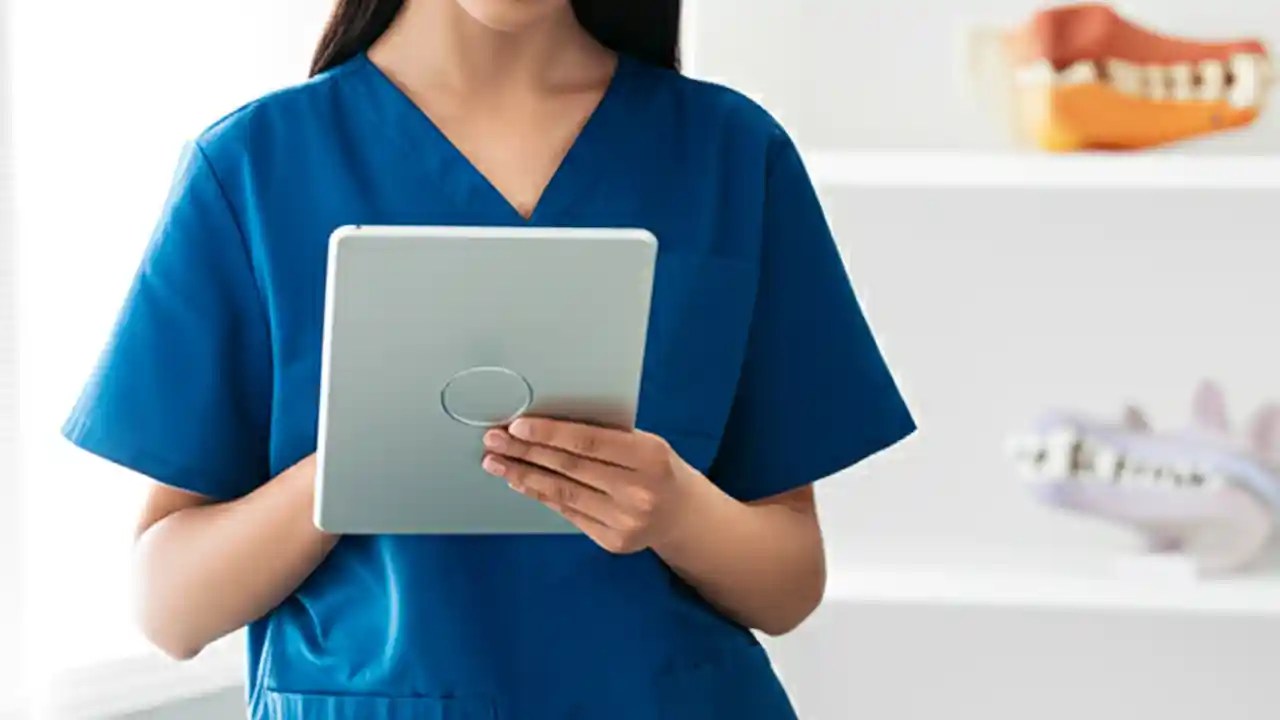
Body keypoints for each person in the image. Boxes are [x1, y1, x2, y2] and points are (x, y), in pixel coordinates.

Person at [61, 0, 916, 717]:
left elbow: (788, 585)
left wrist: (675, 509)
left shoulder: (731, 155)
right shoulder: (250, 167)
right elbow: (170, 609)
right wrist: (350, 471)